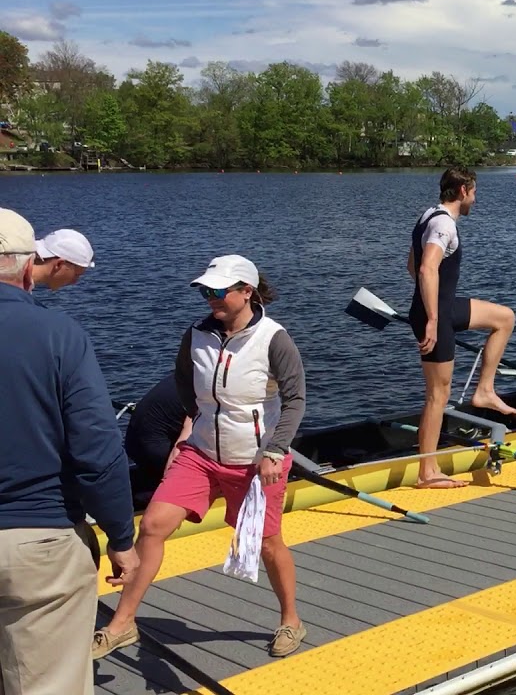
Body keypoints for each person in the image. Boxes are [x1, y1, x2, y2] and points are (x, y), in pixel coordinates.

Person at [93, 254, 308, 660]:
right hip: (202, 454)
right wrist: (193, 424)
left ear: (247, 292)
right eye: (206, 291)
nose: (211, 298)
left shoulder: (274, 339)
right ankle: (122, 624)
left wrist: (276, 449)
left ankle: (291, 620)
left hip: (255, 460)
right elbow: (183, 381)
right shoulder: (196, 334)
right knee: (153, 525)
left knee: (267, 544)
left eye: (219, 291)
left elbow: (296, 400)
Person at [0, 207, 137, 695]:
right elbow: (97, 451)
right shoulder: (59, 336)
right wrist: (122, 538)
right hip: (39, 541)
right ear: (24, 265)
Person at [409, 167, 516, 488]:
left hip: (439, 308)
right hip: (436, 316)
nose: (476, 198)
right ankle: (426, 472)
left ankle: (484, 390)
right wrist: (431, 317)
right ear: (462, 191)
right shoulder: (444, 223)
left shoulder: (427, 215)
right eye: (474, 191)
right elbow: (426, 267)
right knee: (437, 395)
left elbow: (411, 266)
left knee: (504, 318)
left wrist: (429, 303)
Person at [123, 372, 192, 509]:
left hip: (133, 441)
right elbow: (184, 439)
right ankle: (147, 501)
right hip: (153, 445)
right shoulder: (205, 390)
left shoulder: (189, 373)